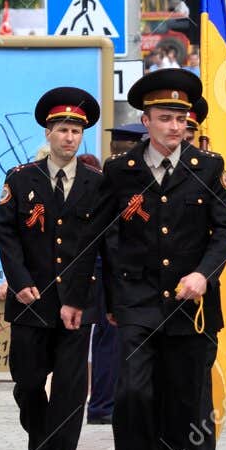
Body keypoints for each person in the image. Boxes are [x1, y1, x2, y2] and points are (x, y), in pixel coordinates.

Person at [100, 68, 226, 450]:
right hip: (138, 301)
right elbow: (104, 235)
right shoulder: (120, 171)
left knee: (184, 406)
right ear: (146, 121)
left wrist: (203, 273)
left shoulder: (208, 168)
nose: (175, 126)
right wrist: (108, 297)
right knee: (132, 397)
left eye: (181, 118)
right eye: (165, 118)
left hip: (190, 307)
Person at [0, 87, 106, 450]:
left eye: (76, 131)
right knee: (27, 383)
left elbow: (104, 243)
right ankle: (37, 446)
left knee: (70, 391)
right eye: (62, 129)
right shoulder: (21, 178)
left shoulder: (97, 183)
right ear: (48, 132)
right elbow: (6, 235)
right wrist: (20, 281)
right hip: (31, 300)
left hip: (77, 302)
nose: (69, 137)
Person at [87, 122, 146, 425]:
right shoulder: (118, 181)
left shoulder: (107, 178)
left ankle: (106, 401)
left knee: (109, 339)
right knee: (110, 339)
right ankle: (102, 404)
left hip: (106, 268)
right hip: (112, 270)